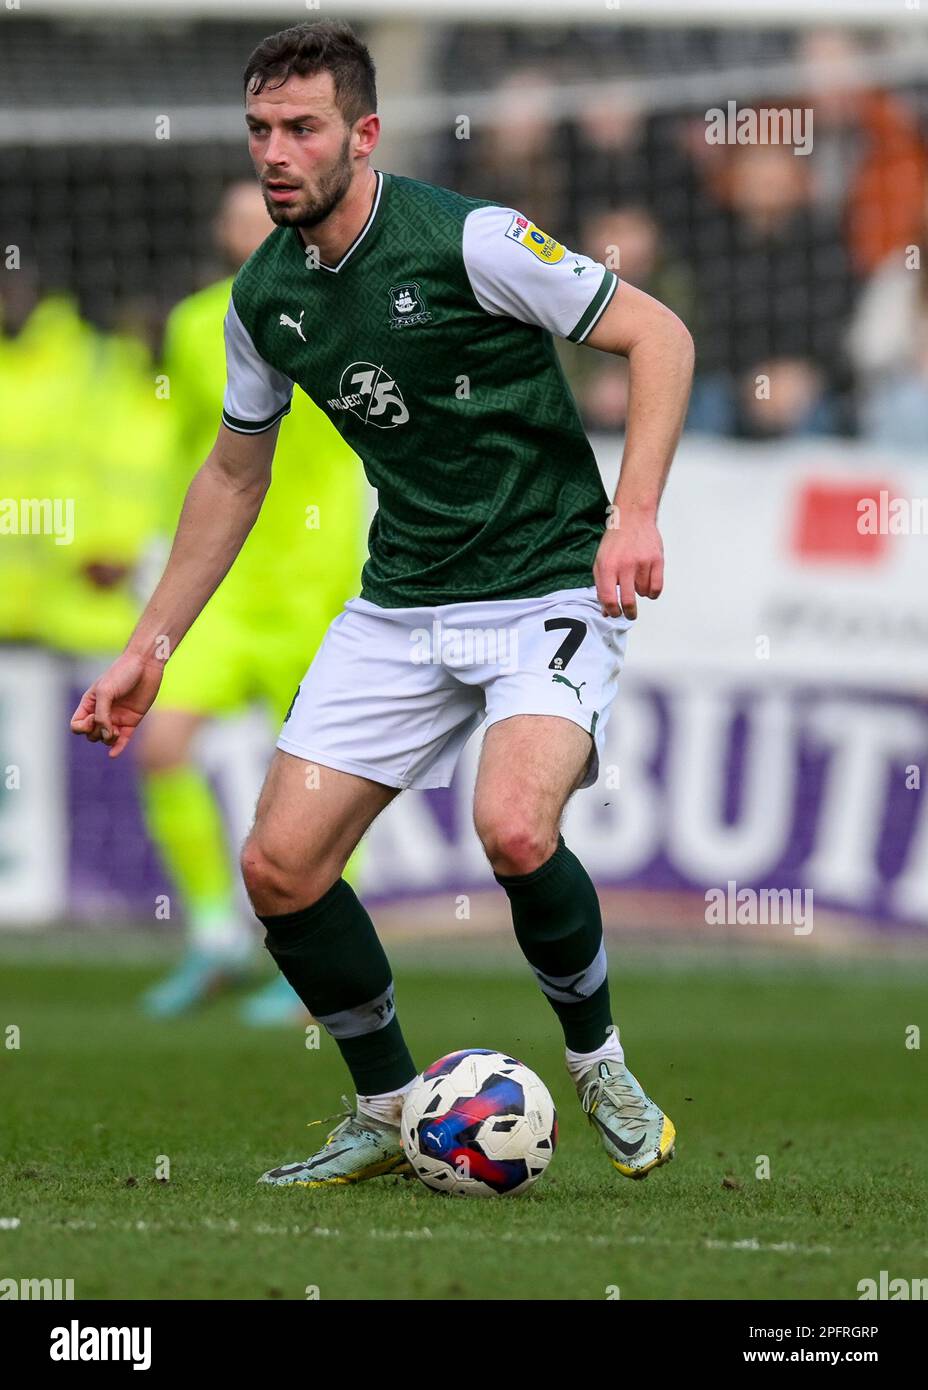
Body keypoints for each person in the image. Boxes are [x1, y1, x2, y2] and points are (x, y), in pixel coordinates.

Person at [71, 19, 694, 1189]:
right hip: (403, 602)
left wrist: (636, 512)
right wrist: (151, 644)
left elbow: (657, 335)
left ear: (362, 135)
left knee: (514, 828)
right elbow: (233, 475)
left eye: (301, 129)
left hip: (548, 581)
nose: (276, 153)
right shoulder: (262, 297)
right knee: (279, 867)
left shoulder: (471, 240)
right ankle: (385, 1108)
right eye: (260, 129)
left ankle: (600, 1064)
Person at [134, 181, 365, 1023]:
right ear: (224, 235)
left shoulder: (346, 310)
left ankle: (319, 964)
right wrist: (155, 545)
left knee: (321, 780)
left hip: (315, 586)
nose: (255, 226)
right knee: (162, 745)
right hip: (225, 589)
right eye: (239, 217)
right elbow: (189, 449)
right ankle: (212, 933)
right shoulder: (195, 325)